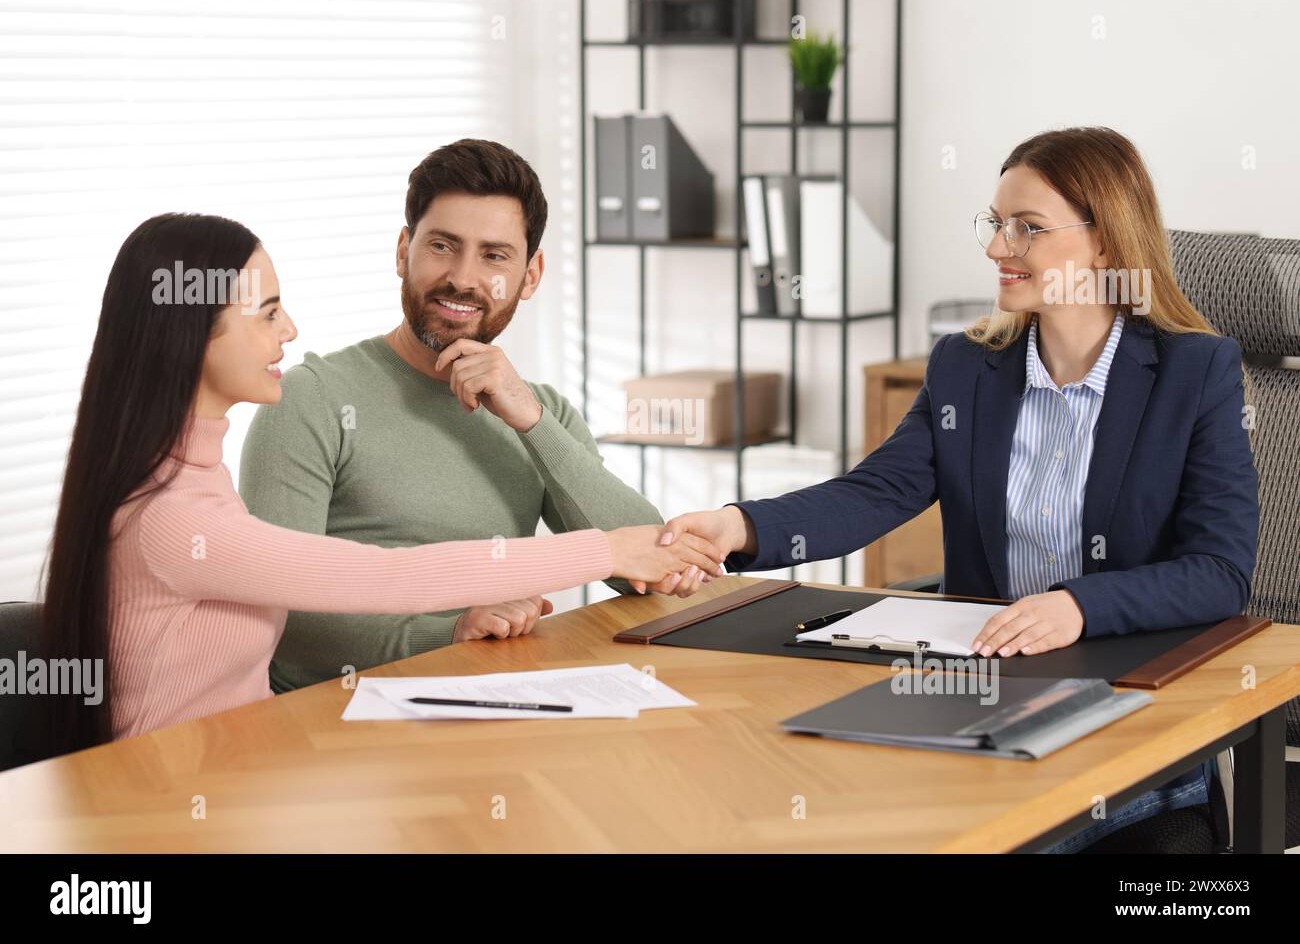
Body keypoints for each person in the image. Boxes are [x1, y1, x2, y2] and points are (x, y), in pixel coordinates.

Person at [660, 127, 1259, 851]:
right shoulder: (967, 367)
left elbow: (1219, 572)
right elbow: (874, 492)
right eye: (995, 223)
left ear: (1104, 243)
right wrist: (740, 527)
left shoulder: (1195, 372)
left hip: (1131, 717)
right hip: (986, 706)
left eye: (1027, 228)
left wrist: (1077, 606)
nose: (997, 248)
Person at [41, 212, 724, 750]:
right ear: (190, 332)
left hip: (251, 772)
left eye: (494, 254)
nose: (291, 329)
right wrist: (609, 549)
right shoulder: (170, 517)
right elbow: (381, 577)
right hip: (167, 809)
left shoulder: (193, 470)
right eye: (267, 312)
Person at [240, 139, 698, 693]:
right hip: (328, 720)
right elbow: (280, 614)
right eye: (441, 245)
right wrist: (448, 632)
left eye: (494, 256)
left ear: (530, 276)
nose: (462, 277)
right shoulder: (309, 400)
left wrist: (530, 421)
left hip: (488, 701)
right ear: (403, 250)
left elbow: (644, 570)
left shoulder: (541, 411)